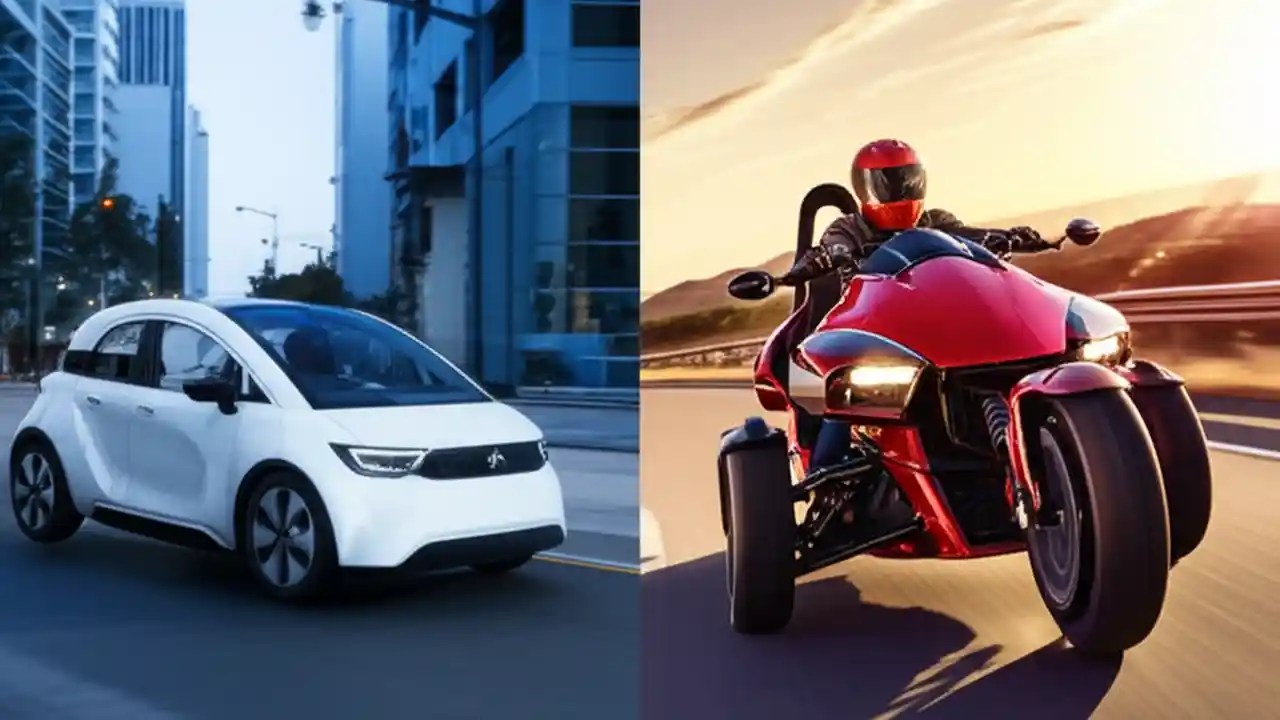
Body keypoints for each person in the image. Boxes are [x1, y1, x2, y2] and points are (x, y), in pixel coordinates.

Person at [777, 138, 1062, 469]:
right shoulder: (848, 228)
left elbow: (968, 236)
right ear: (863, 188)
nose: (901, 190)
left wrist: (1008, 237)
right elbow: (833, 245)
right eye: (889, 182)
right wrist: (824, 257)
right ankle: (826, 477)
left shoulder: (936, 222)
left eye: (909, 179)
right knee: (847, 393)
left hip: (935, 327)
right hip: (871, 328)